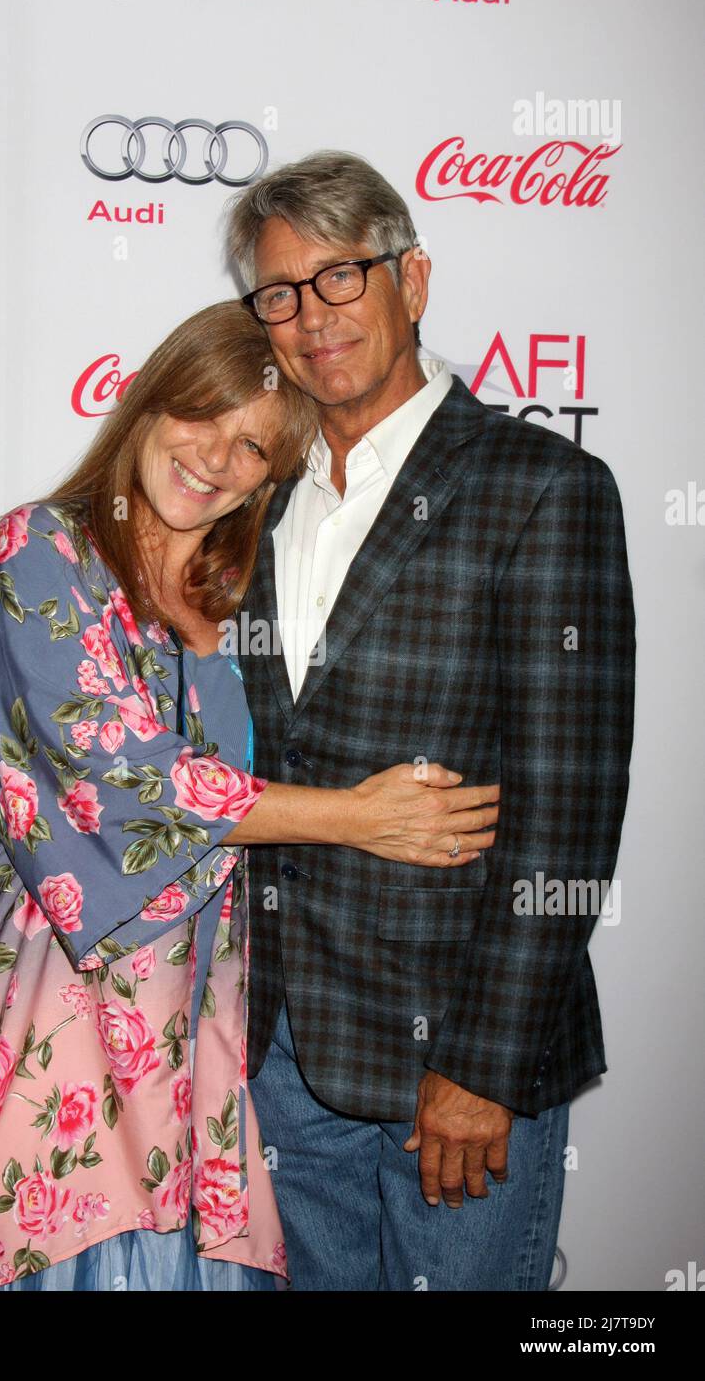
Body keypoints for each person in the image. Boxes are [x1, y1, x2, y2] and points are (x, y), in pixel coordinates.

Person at [0, 300, 499, 1292]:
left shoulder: (241, 599)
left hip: (178, 1059)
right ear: (151, 398)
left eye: (253, 449)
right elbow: (122, 774)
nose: (215, 460)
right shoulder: (40, 553)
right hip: (12, 1043)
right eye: (204, 416)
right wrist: (358, 816)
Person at [224, 151, 636, 1291]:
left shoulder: (539, 486)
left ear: (412, 278)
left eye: (340, 277)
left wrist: (484, 1069)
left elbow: (567, 813)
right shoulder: (251, 494)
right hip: (278, 1051)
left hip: (450, 1063)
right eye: (278, 293)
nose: (311, 317)